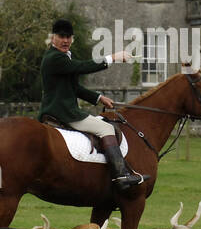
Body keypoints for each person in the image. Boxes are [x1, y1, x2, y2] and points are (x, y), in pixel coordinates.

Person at [39, 18, 149, 191]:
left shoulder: (62, 56)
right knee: (107, 129)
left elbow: (74, 87)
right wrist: (113, 58)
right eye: (61, 36)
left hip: (61, 108)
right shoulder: (55, 58)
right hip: (62, 111)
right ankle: (121, 175)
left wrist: (99, 98)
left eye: (69, 37)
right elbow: (83, 67)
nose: (66, 40)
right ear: (53, 38)